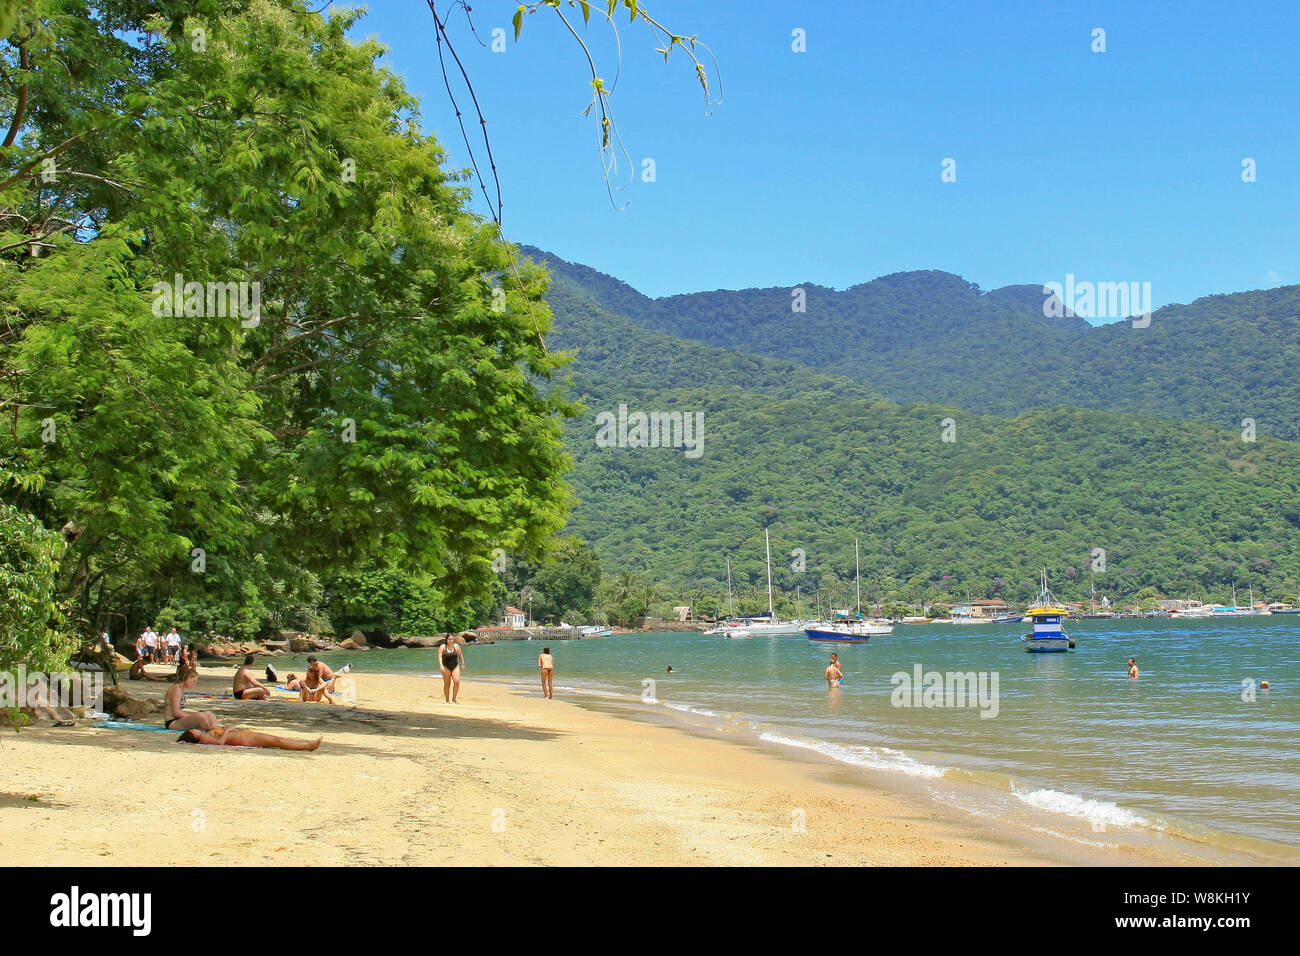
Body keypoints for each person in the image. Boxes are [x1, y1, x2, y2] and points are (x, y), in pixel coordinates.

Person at [177, 726, 321, 751]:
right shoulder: (203, 738)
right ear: (193, 735)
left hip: (243, 736)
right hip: (243, 739)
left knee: (277, 739)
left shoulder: (205, 735)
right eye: (192, 731)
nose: (195, 729)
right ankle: (306, 746)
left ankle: (304, 744)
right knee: (277, 741)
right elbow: (220, 743)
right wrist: (226, 731)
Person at [164, 665, 217, 732]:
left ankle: (215, 730)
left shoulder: (181, 688)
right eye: (193, 681)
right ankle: (210, 731)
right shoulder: (176, 689)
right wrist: (192, 716)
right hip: (172, 723)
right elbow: (176, 713)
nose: (194, 684)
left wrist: (192, 716)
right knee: (200, 716)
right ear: (187, 678)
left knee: (209, 714)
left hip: (179, 720)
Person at [439, 635, 465, 703]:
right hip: (446, 667)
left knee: (457, 682)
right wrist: (441, 666)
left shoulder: (456, 646)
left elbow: (460, 655)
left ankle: (454, 699)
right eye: (449, 639)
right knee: (447, 684)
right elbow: (439, 656)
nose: (451, 641)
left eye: (452, 639)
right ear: (446, 640)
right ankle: (447, 700)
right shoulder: (443, 647)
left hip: (455, 666)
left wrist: (462, 663)